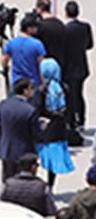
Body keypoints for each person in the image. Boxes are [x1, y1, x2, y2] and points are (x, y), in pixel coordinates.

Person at [36, 56, 75, 184]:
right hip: (59, 129)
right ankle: (50, 185)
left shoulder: (42, 90)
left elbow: (38, 109)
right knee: (53, 161)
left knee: (40, 157)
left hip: (44, 129)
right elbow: (70, 108)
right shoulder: (64, 88)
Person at [0, 79, 40, 183]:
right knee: (25, 183)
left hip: (7, 149)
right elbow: (35, 133)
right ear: (25, 91)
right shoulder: (30, 110)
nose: (32, 91)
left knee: (7, 181)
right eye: (31, 88)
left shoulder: (3, 105)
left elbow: (0, 125)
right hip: (25, 152)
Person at [67, 1, 93, 130]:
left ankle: (72, 119)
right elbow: (90, 45)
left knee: (71, 94)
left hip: (70, 66)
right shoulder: (86, 27)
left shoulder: (66, 29)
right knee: (79, 94)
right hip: (82, 64)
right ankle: (81, 119)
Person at [3, 15, 47, 90]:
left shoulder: (11, 43)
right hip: (33, 83)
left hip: (16, 82)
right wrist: (44, 83)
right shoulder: (37, 44)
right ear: (29, 28)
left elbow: (4, 61)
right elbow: (42, 66)